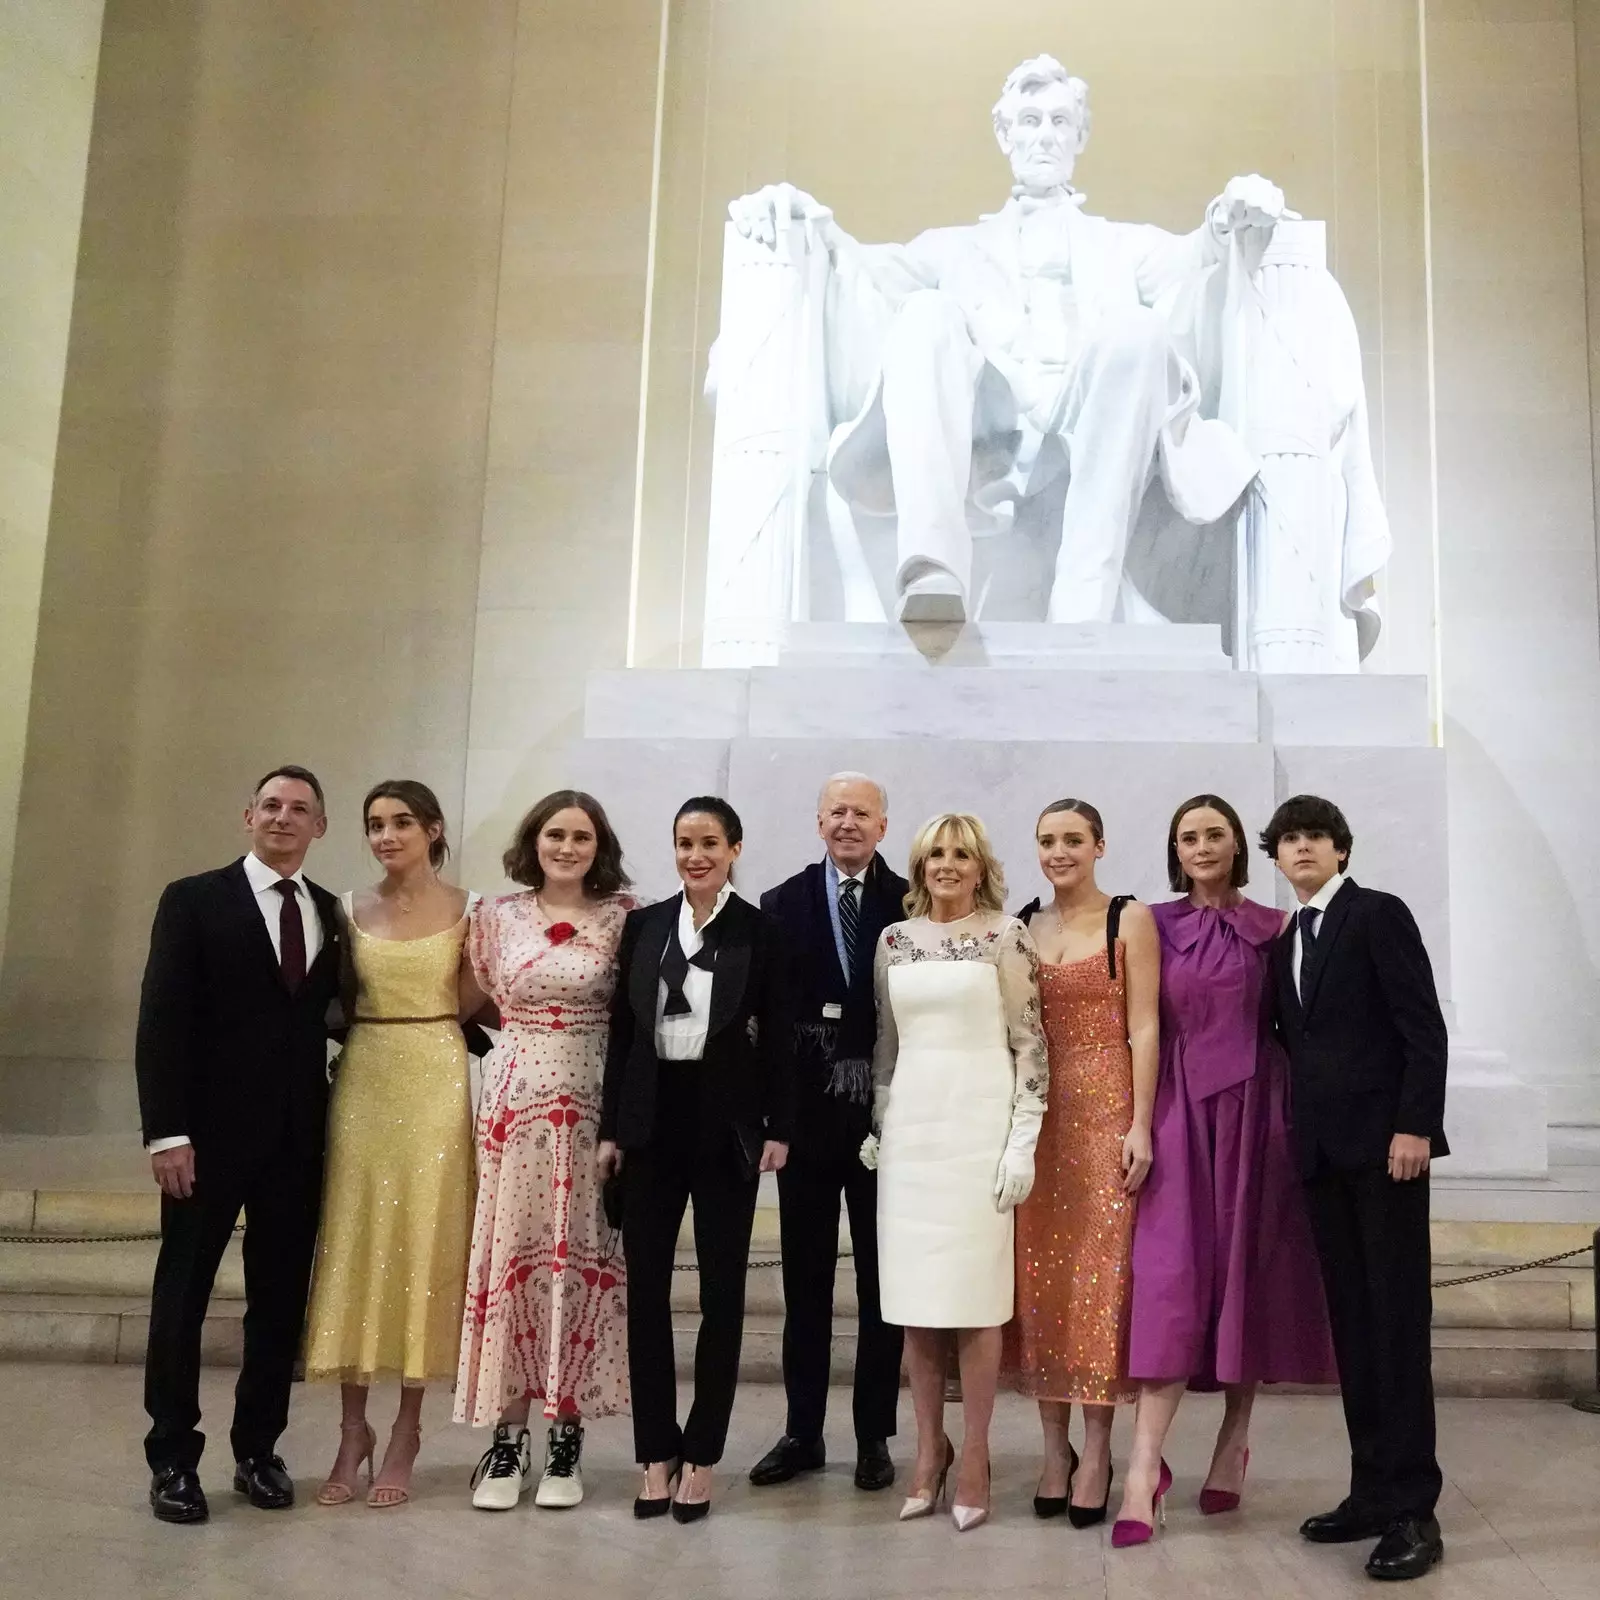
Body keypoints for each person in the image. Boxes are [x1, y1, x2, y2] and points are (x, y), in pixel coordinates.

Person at [1116, 795, 1335, 1543]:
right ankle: (1143, 1470)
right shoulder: (1150, 920)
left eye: (1215, 834)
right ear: (1174, 849)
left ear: (1240, 845)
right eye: (1188, 836)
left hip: (1258, 1115)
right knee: (1171, 1280)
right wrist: (1140, 1124)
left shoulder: (1276, 928)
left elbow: (1300, 1031)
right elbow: (1141, 1024)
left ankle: (1232, 1438)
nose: (1202, 846)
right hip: (1178, 1112)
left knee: (1248, 1278)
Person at [135, 766, 344, 1523]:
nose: (283, 818)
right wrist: (167, 1132)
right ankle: (172, 1459)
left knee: (278, 1305)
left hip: (297, 1142)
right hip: (206, 1140)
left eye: (300, 810)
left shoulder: (329, 912)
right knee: (182, 1297)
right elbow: (162, 1022)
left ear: (320, 827)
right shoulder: (194, 899)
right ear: (246, 814)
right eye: (271, 805)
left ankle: (258, 1449)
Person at [1264, 795, 1448, 1583]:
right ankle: (1371, 1491)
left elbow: (1422, 1028)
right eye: (1288, 839)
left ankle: (1414, 1510)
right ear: (1275, 857)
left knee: (1397, 1330)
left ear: (1340, 849)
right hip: (1323, 1160)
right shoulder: (1285, 943)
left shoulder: (1378, 914)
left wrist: (1415, 1127)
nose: (1301, 848)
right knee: (1355, 1333)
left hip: (1386, 1155)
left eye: (1315, 836)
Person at [600, 796, 796, 1522]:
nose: (696, 855)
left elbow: (778, 1038)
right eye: (684, 842)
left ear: (735, 848)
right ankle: (655, 1449)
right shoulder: (645, 925)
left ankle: (703, 1453)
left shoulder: (760, 931)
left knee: (721, 1296)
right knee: (645, 1294)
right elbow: (623, 1035)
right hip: (651, 1125)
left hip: (725, 1130)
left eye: (710, 842)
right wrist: (610, 1130)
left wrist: (780, 1125)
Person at [455, 791, 638, 1511]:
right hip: (515, 1109)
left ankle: (567, 1439)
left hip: (593, 1106)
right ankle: (507, 1442)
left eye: (582, 836)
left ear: (600, 846)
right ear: (534, 840)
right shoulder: (494, 919)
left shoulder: (626, 917)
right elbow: (463, 1002)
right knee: (514, 1261)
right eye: (555, 834)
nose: (567, 847)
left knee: (578, 1265)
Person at [868, 811, 1047, 1532]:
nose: (947, 864)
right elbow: (886, 1044)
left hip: (979, 1131)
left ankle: (975, 1453)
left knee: (975, 1304)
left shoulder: (1007, 936)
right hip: (913, 1135)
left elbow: (1029, 1044)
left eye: (961, 854)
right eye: (935, 853)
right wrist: (880, 1126)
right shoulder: (893, 940)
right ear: (919, 864)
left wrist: (1021, 1143)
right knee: (915, 1305)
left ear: (980, 866)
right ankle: (925, 1451)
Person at [302, 780, 476, 1508]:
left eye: (402, 822)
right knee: (355, 1240)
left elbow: (477, 998)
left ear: (433, 829)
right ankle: (351, 1431)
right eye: (375, 823)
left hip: (436, 1074)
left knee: (423, 1241)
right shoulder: (343, 908)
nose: (386, 835)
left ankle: (406, 1428)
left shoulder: (472, 909)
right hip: (366, 1077)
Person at [749, 773, 907, 1495]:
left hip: (886, 1117)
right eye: (836, 811)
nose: (849, 823)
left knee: (882, 1285)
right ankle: (802, 1432)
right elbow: (771, 1025)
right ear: (818, 823)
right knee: (804, 1285)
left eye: (862, 813)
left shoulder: (910, 900)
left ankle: (873, 1434)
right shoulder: (779, 904)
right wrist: (772, 1121)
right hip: (807, 1122)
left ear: (883, 824)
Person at [1005, 799, 1157, 1538]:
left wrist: (1142, 1124)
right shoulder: (1022, 924)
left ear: (1100, 844)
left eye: (1072, 840)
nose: (1059, 852)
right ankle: (1051, 1448)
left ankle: (1097, 1450)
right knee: (1042, 1281)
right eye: (1047, 841)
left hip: (1105, 1115)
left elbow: (1147, 1025)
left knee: (1101, 1280)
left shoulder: (1127, 919)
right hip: (1037, 1120)